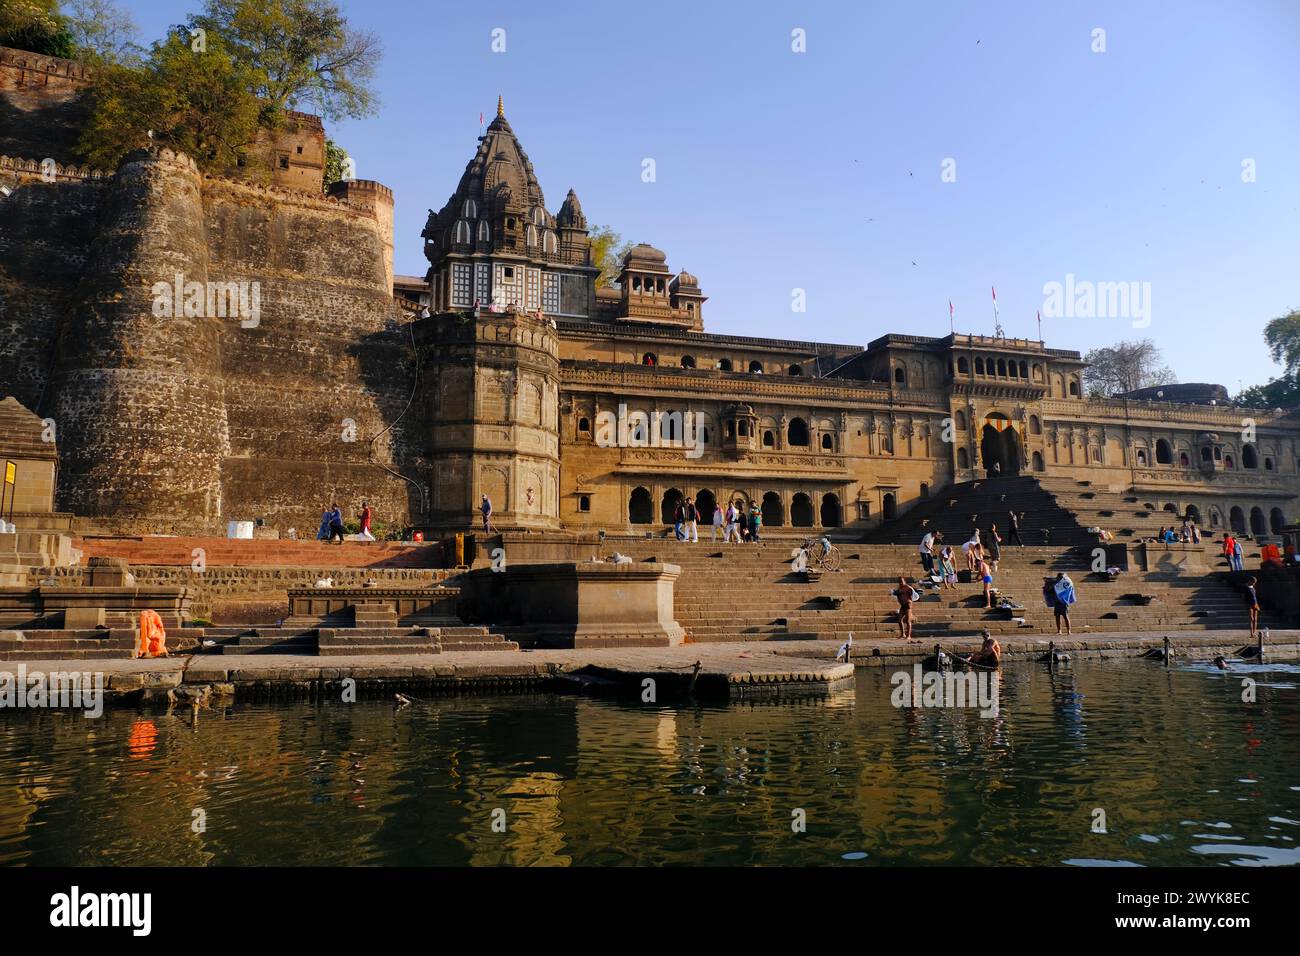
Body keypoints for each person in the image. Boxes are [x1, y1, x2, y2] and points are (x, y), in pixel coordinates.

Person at [893, 575, 920, 642]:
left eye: (901, 581)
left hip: (908, 606)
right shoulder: (899, 588)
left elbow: (914, 595)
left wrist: (909, 602)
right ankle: (903, 634)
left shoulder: (908, 588)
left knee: (908, 621)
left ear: (904, 581)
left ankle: (908, 636)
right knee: (899, 619)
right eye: (899, 582)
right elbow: (897, 595)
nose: (900, 583)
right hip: (903, 606)